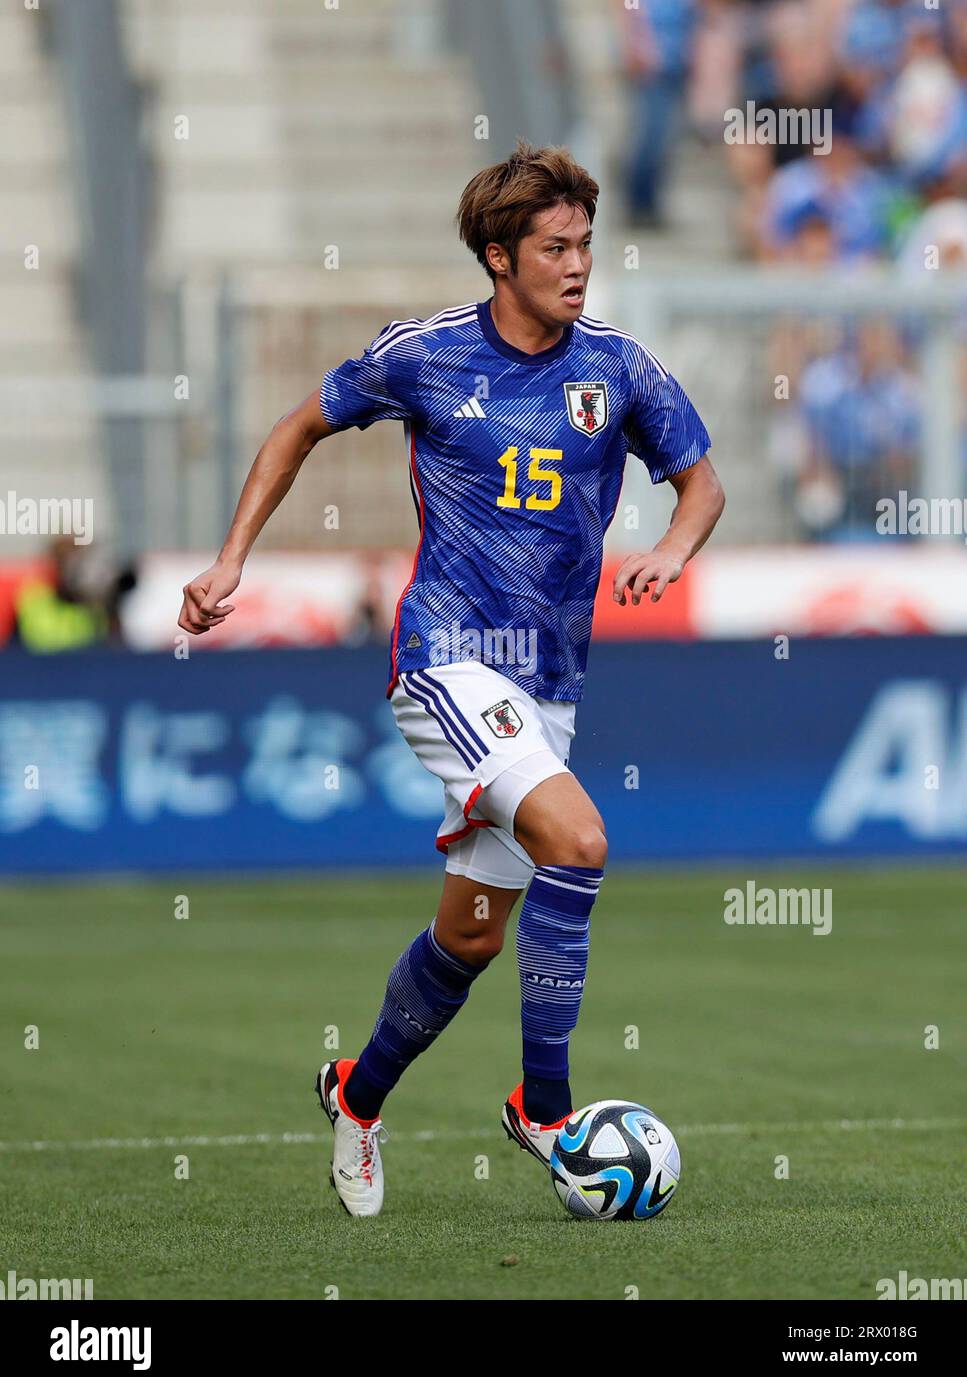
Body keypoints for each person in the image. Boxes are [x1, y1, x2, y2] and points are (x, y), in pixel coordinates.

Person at [177, 141, 725, 1217]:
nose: (577, 266)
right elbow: (299, 427)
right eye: (554, 248)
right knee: (581, 839)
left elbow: (701, 482)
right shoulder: (423, 356)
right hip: (444, 659)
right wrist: (231, 557)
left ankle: (356, 1091)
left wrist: (673, 545)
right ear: (497, 256)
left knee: (471, 935)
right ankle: (547, 1107)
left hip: (548, 686)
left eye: (584, 245)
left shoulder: (617, 367)